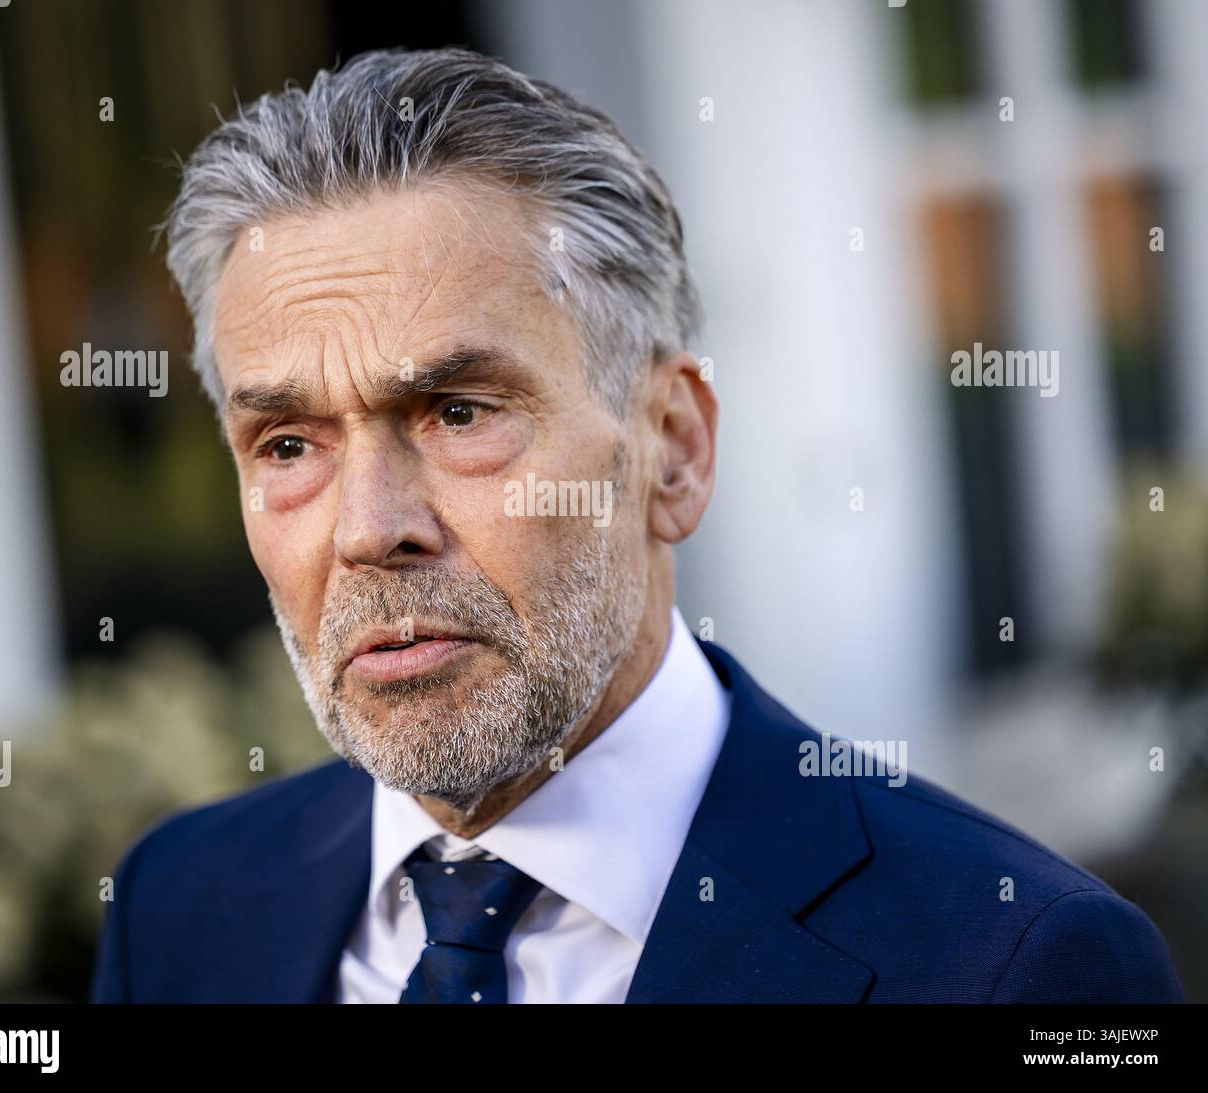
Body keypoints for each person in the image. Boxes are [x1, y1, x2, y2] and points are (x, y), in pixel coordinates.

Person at [90, 47, 1184, 1004]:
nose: (368, 528)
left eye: (460, 413)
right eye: (288, 445)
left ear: (672, 447)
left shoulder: (1011, 961)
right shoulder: (181, 905)